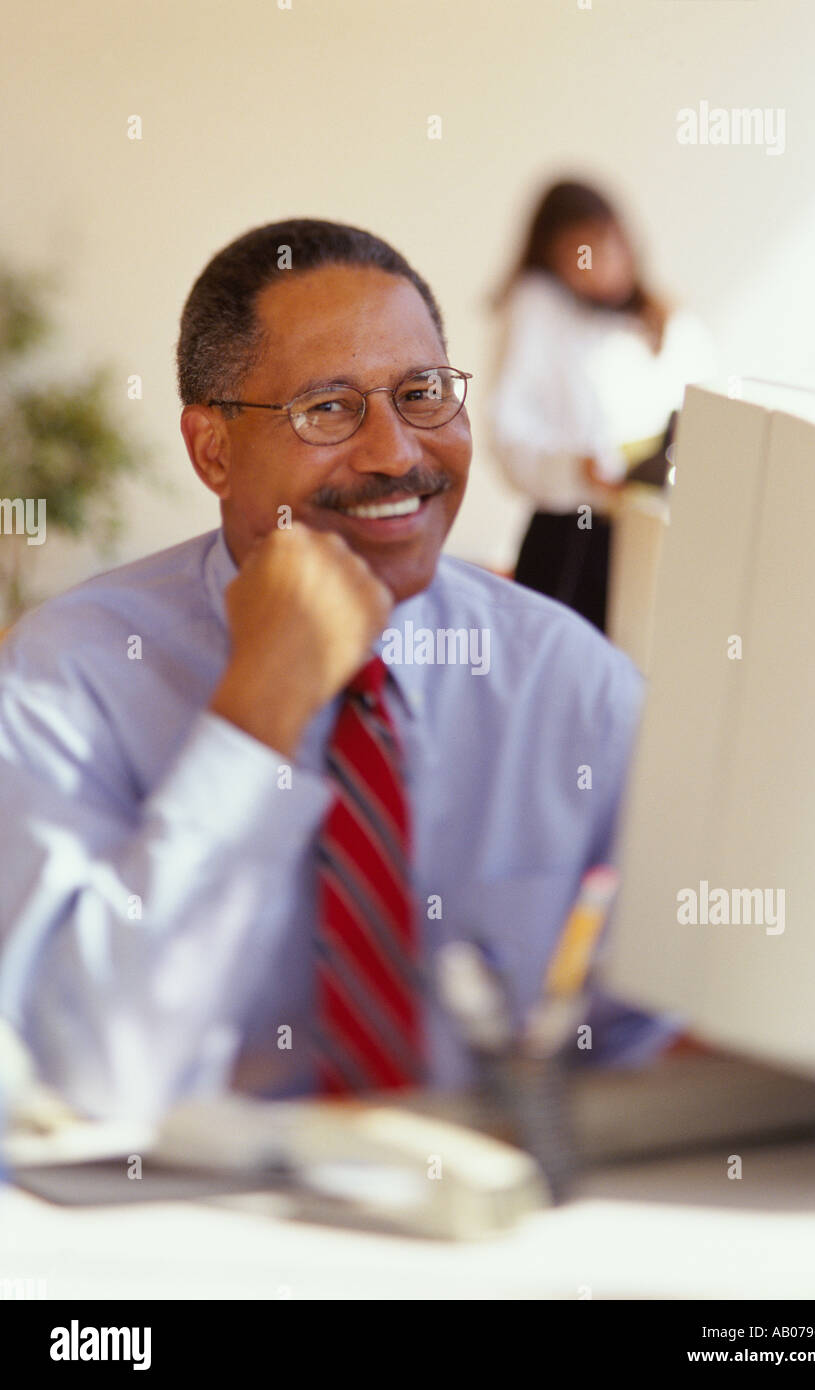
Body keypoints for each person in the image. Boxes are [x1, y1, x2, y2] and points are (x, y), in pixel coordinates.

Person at [0, 219, 678, 1123]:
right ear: (213, 451)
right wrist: (257, 713)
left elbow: (659, 1042)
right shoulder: (69, 676)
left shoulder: (565, 679)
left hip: (487, 1216)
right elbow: (79, 1079)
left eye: (424, 393)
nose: (397, 453)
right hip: (183, 1232)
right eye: (327, 409)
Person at [490, 180, 716, 632]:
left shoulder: (665, 320)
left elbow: (705, 414)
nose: (601, 262)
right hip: (572, 531)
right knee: (558, 663)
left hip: (652, 528)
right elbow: (507, 429)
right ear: (553, 255)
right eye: (582, 251)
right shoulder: (537, 309)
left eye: (610, 244)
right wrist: (576, 468)